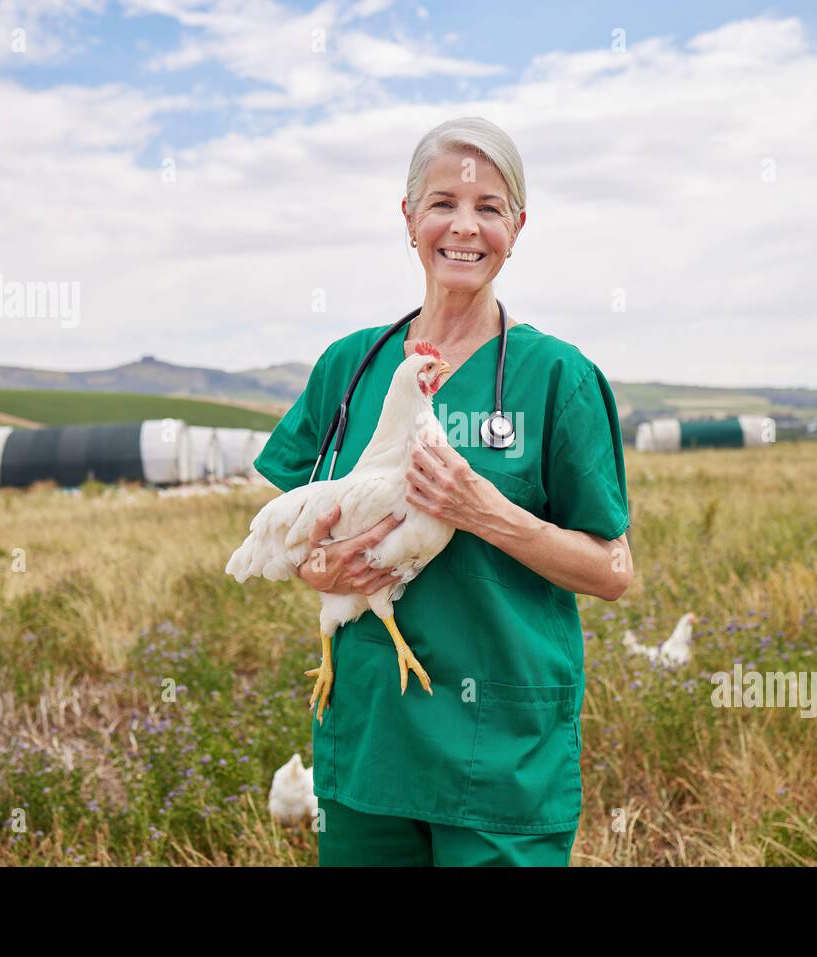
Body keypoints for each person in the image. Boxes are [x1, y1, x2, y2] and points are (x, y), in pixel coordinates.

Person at [253, 116, 633, 867]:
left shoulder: (560, 377)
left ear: (517, 228)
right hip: (370, 749)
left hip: (499, 758)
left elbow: (612, 572)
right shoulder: (349, 368)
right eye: (442, 204)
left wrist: (483, 511)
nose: (465, 227)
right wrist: (314, 569)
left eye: (490, 207)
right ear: (408, 218)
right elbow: (287, 528)